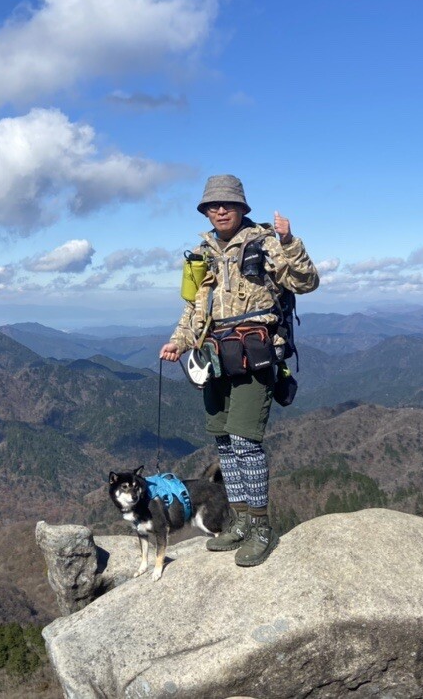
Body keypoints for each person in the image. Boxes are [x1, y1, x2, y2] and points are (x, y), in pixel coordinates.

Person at [159, 174, 319, 567]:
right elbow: (194, 308)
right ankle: (241, 522)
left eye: (227, 204)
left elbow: (306, 282)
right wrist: (179, 341)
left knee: (246, 441)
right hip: (214, 355)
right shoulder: (203, 252)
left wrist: (288, 243)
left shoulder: (265, 243)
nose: (219, 210)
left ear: (242, 208)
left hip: (254, 355)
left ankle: (262, 528)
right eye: (212, 205)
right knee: (225, 444)